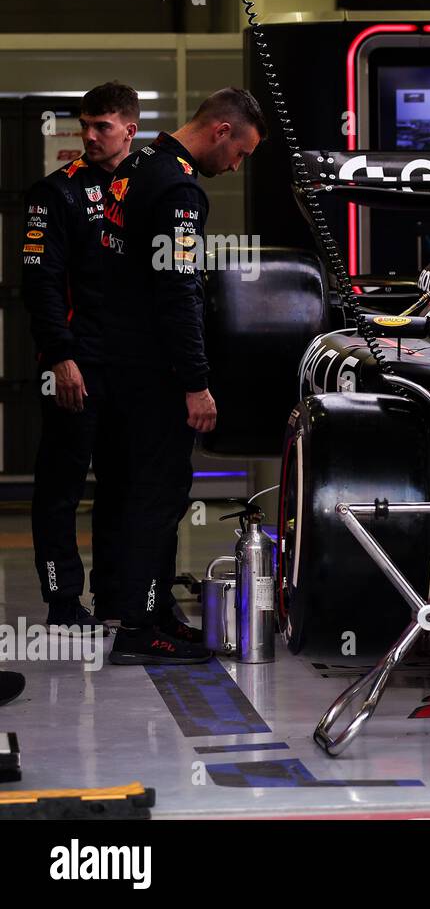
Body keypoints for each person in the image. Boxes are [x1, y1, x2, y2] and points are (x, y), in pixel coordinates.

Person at [101, 87, 265, 666]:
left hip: (121, 360)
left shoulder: (141, 164)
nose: (236, 165)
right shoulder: (178, 188)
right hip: (154, 371)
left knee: (139, 494)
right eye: (241, 152)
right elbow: (177, 290)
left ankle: (152, 613)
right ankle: (141, 631)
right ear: (221, 130)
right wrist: (196, 381)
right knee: (159, 496)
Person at [22, 82, 140, 633]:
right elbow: (39, 283)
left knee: (123, 484)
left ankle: (117, 597)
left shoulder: (149, 185)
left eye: (102, 127)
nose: (89, 136)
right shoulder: (55, 193)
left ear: (129, 130)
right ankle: (63, 600)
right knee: (61, 486)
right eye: (84, 125)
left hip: (132, 368)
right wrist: (60, 357)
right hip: (74, 365)